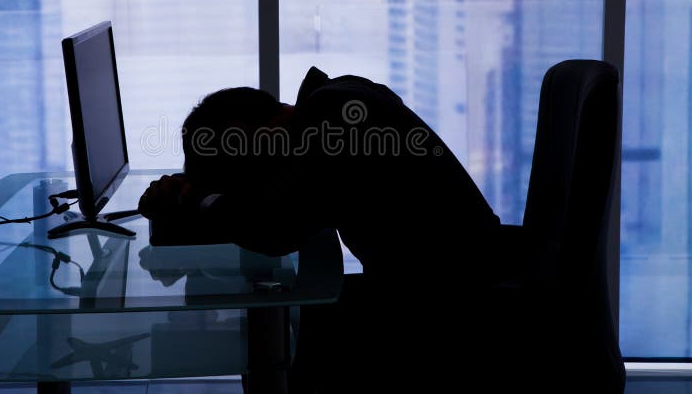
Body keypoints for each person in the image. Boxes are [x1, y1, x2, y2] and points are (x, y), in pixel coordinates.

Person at [138, 66, 501, 392]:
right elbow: (279, 209)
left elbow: (276, 230)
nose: (258, 176)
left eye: (245, 166)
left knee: (283, 344)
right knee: (286, 334)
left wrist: (195, 200)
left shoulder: (334, 120)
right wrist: (198, 199)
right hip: (446, 278)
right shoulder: (338, 99)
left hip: (457, 299)